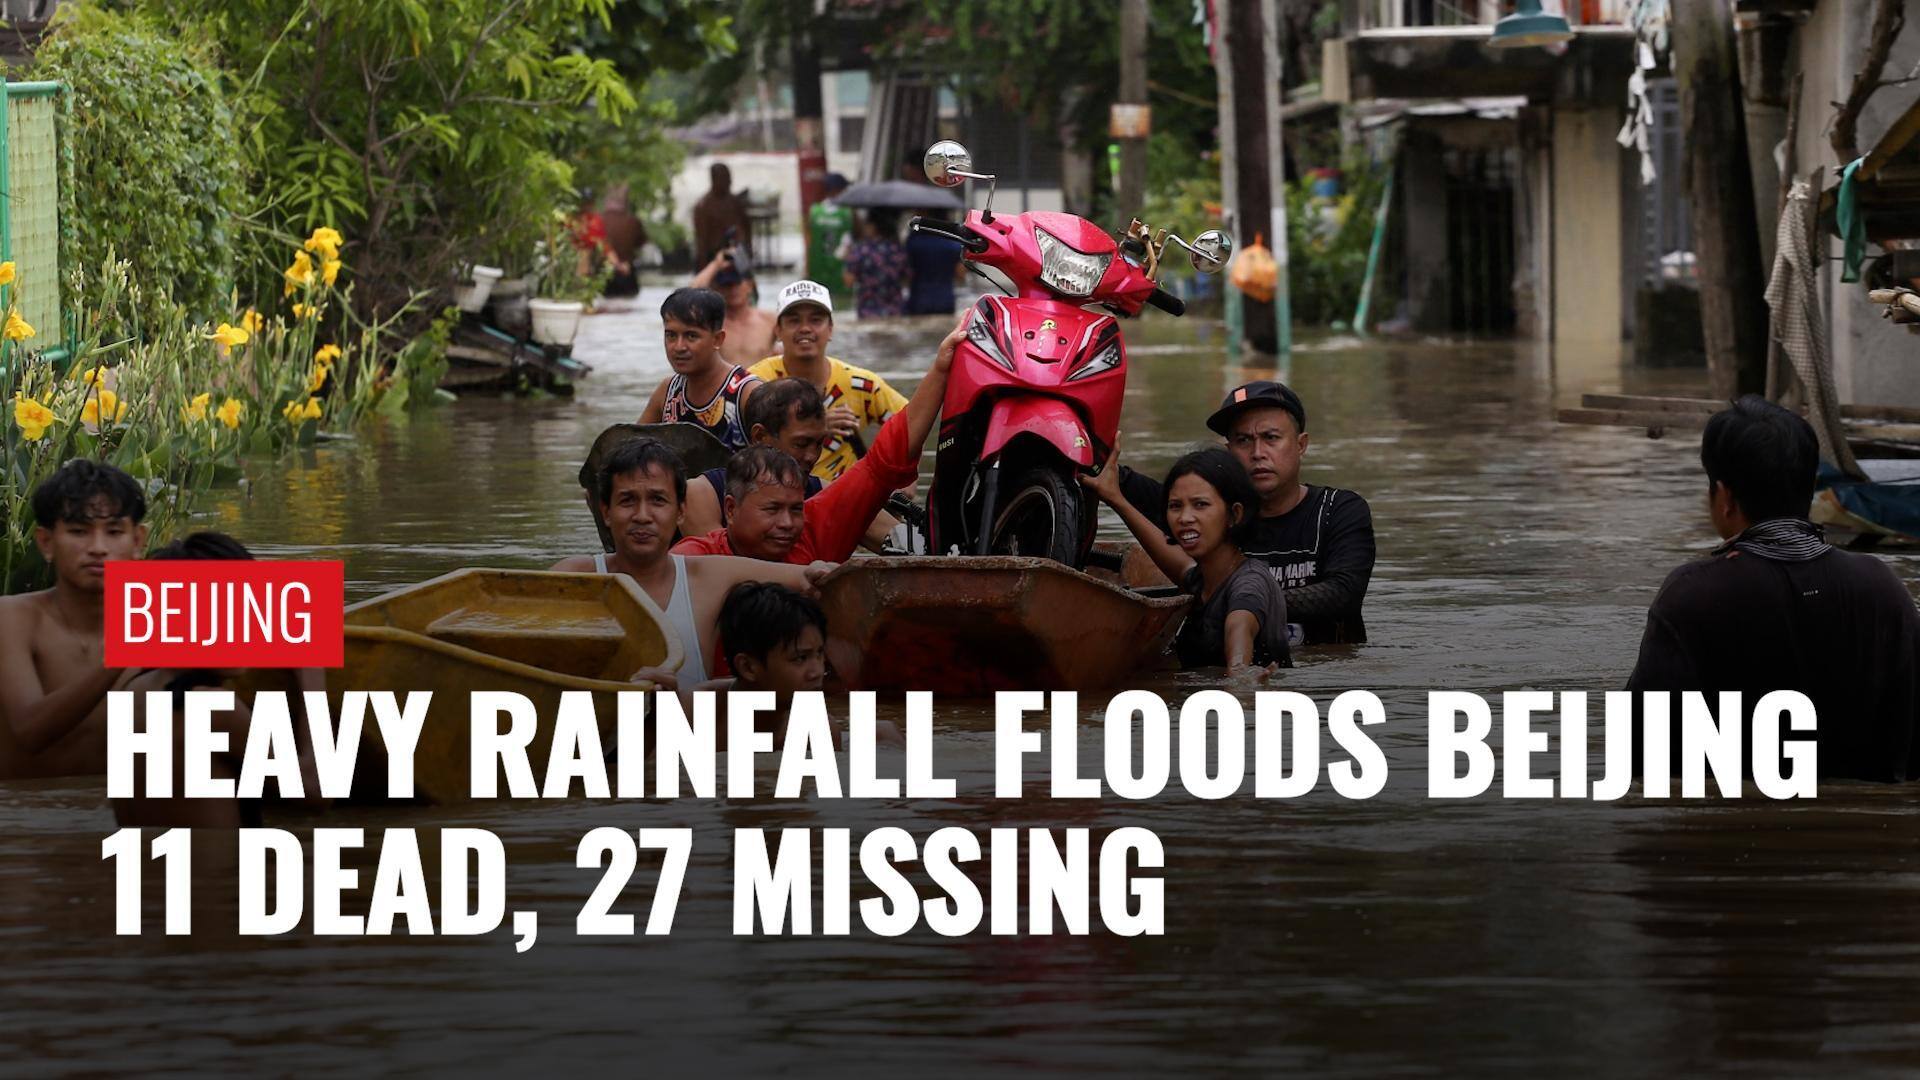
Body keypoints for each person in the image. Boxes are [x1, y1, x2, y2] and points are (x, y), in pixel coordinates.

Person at [1626, 396, 1920, 781]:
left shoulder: (1692, 596)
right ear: (1809, 487)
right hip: (1860, 837)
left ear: (1724, 497)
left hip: (1734, 834)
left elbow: (1644, 757)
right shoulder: (1883, 589)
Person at [675, 312, 966, 563]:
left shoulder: (821, 499)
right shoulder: (701, 496)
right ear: (731, 508)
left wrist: (942, 368)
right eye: (772, 509)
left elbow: (888, 463)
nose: (812, 456)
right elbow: (713, 575)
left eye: (796, 509)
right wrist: (805, 577)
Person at [1112, 380, 1374, 646]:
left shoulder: (1337, 509)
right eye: (1243, 441)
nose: (1258, 453)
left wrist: (1240, 598)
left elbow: (1344, 594)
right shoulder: (1215, 516)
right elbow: (1154, 497)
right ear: (1229, 453)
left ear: (1301, 444)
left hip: (1324, 673)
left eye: (1271, 438)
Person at [551, 439, 836, 683]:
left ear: (680, 512)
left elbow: (806, 577)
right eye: (627, 500)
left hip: (688, 737)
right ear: (606, 512)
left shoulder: (708, 575)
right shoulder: (574, 577)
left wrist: (828, 571)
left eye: (658, 500)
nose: (642, 515)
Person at [114, 532, 325, 828]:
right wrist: (312, 677)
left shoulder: (133, 689)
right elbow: (316, 792)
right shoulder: (212, 708)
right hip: (220, 875)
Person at [1084, 447, 1290, 675]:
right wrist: (1115, 498)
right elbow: (1176, 563)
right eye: (1175, 506)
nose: (1185, 518)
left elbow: (1239, 635)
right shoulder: (1204, 579)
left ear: (1235, 515)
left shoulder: (1248, 586)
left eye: (1200, 504)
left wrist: (1241, 673)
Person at [0, 460, 148, 778]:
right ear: (46, 542)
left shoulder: (164, 622)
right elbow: (30, 730)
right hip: (25, 818)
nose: (98, 548)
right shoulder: (12, 618)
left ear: (137, 541)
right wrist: (123, 653)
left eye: (114, 532)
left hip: (113, 816)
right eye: (79, 532)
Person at [748, 280, 910, 482]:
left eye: (816, 320)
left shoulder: (860, 384)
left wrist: (903, 477)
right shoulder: (755, 382)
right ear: (778, 331)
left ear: (830, 329)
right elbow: (736, 444)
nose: (805, 328)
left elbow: (912, 423)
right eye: (794, 321)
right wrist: (818, 425)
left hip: (844, 501)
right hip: (777, 494)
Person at [682, 377, 827, 537]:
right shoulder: (703, 496)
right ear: (760, 437)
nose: (812, 457)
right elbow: (714, 560)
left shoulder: (826, 494)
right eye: (801, 444)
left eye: (819, 444)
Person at [639, 288, 762, 453]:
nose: (679, 347)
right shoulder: (668, 391)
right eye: (671, 335)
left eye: (691, 336)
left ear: (717, 339)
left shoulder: (747, 393)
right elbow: (632, 451)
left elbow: (779, 465)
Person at [690, 245, 776, 367]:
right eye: (726, 285)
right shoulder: (711, 323)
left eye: (736, 284)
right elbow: (686, 299)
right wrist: (715, 264)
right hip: (724, 385)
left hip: (761, 384)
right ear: (717, 289)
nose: (732, 290)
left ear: (749, 286)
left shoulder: (769, 321)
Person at [844, 209, 910, 318]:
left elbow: (848, 281)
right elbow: (907, 280)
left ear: (873, 226)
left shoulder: (861, 250)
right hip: (895, 311)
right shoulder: (897, 250)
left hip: (867, 311)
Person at [692, 162, 753, 268]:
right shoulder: (703, 206)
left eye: (729, 178)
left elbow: (746, 225)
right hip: (714, 256)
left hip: (737, 253)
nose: (729, 181)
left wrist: (748, 247)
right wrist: (703, 265)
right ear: (714, 180)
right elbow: (701, 239)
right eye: (725, 178)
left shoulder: (735, 203)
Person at [806, 173, 854, 302]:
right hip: (840, 275)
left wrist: (807, 271)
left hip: (817, 273)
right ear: (837, 190)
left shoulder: (814, 211)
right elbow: (850, 246)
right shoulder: (847, 213)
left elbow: (808, 244)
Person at [599, 183, 647, 299]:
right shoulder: (634, 221)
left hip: (604, 274)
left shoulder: (598, 220)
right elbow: (641, 243)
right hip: (627, 273)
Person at [905, 225, 964, 315]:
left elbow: (907, 274)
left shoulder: (914, 242)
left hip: (919, 299)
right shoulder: (953, 244)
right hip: (945, 300)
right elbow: (960, 275)